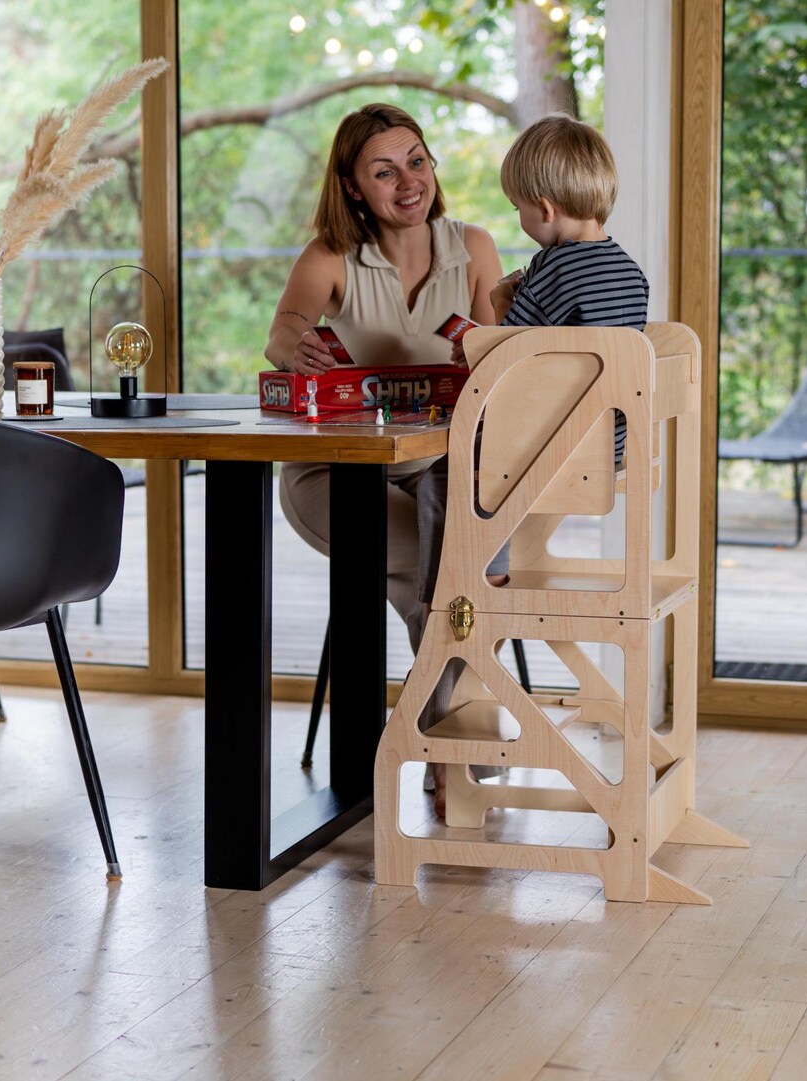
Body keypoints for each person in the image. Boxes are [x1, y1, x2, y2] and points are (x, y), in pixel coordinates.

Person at [264, 103, 503, 816]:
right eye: (384, 170)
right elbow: (282, 332)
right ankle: (455, 754)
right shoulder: (330, 257)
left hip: (437, 470)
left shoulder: (475, 246)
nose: (408, 181)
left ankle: (442, 746)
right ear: (352, 186)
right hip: (334, 475)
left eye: (418, 161)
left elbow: (504, 363)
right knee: (451, 582)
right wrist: (294, 348)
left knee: (439, 579)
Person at [415, 112, 650, 608]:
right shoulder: (630, 270)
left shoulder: (553, 267)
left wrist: (497, 310)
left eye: (516, 206)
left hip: (554, 443)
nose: (518, 217)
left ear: (544, 209)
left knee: (447, 467)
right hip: (607, 440)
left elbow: (505, 356)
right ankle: (483, 572)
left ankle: (459, 588)